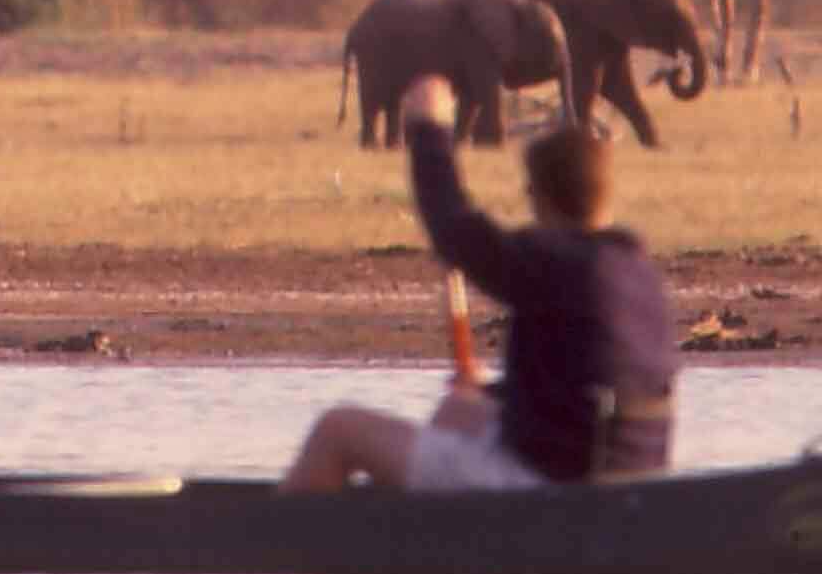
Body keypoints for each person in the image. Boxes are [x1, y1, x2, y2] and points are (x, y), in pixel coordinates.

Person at [280, 74, 676, 494]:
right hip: (626, 474)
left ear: (536, 195)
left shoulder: (554, 263)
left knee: (337, 430)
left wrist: (429, 128)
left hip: (550, 483)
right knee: (458, 410)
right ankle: (418, 530)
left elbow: (453, 230)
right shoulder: (639, 272)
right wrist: (492, 391)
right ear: (605, 195)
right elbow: (587, 383)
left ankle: (280, 549)